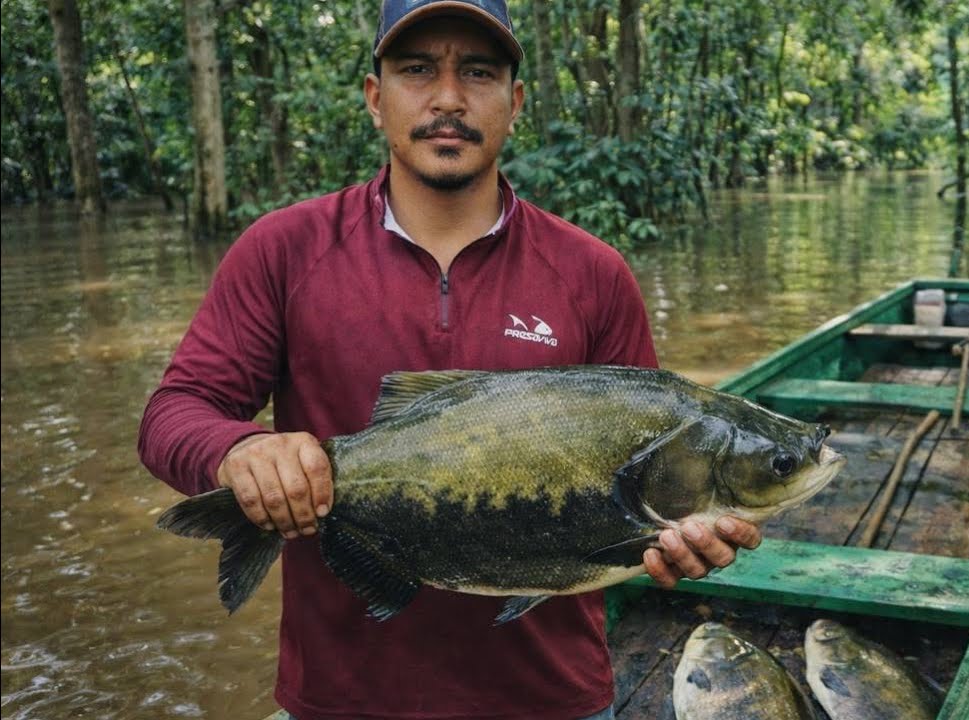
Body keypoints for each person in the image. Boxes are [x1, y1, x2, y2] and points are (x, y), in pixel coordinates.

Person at [137, 2, 762, 718]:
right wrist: (240, 452)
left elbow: (643, 484)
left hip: (552, 697)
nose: (447, 99)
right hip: (341, 698)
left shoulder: (593, 273)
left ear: (514, 100)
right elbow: (172, 413)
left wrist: (683, 539)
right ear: (376, 98)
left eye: (477, 71)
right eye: (416, 70)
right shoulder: (284, 251)